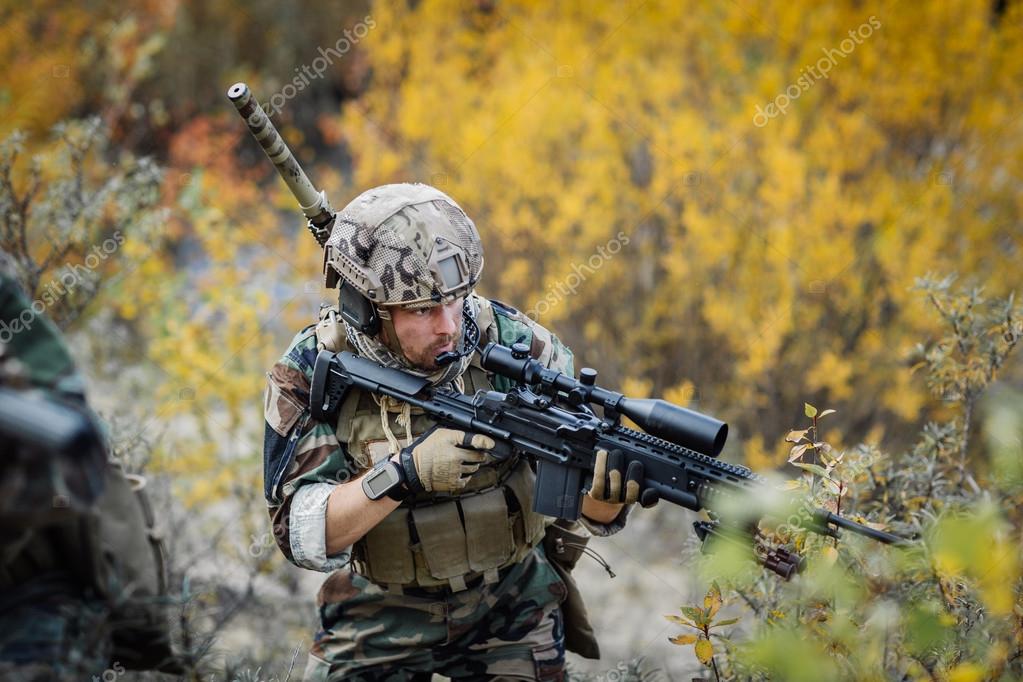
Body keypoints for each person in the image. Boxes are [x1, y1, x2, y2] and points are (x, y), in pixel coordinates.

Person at [263, 183, 640, 681]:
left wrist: (607, 497)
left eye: (457, 301)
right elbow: (301, 533)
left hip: (511, 603)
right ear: (367, 309)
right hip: (380, 609)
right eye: (422, 309)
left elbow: (587, 509)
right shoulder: (311, 371)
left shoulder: (516, 345)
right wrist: (404, 474)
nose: (448, 326)